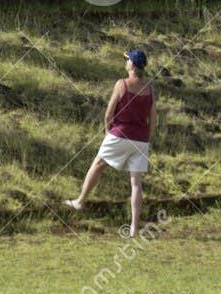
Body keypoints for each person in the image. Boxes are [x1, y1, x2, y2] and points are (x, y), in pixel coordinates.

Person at [65, 48, 155, 236]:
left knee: (98, 164)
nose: (125, 62)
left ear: (132, 65)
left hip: (120, 133)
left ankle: (80, 201)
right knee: (136, 182)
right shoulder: (149, 89)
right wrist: (147, 137)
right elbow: (153, 120)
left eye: (127, 60)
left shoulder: (121, 84)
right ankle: (134, 228)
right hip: (140, 139)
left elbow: (109, 113)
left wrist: (108, 132)